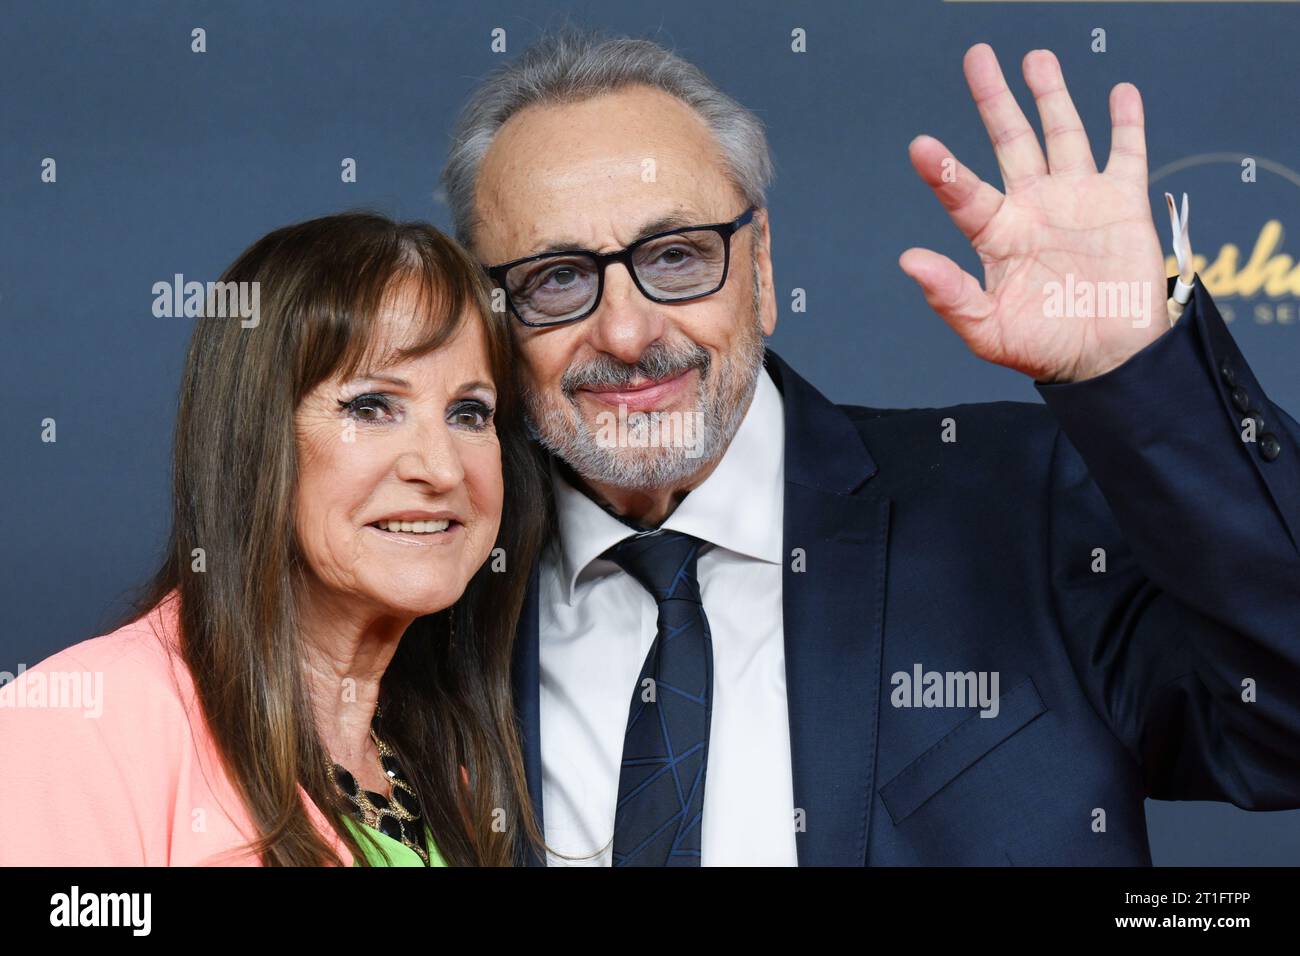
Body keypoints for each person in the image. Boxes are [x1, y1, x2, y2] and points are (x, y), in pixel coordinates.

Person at [439, 30, 1300, 865]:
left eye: (675, 256)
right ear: (488, 312)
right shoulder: (437, 599)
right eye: (556, 278)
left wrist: (1142, 377)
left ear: (763, 270)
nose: (626, 332)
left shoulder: (1022, 506)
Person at [0, 212, 548, 866]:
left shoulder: (443, 773)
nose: (442, 468)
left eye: (469, 413)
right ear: (255, 442)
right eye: (372, 407)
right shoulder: (75, 726)